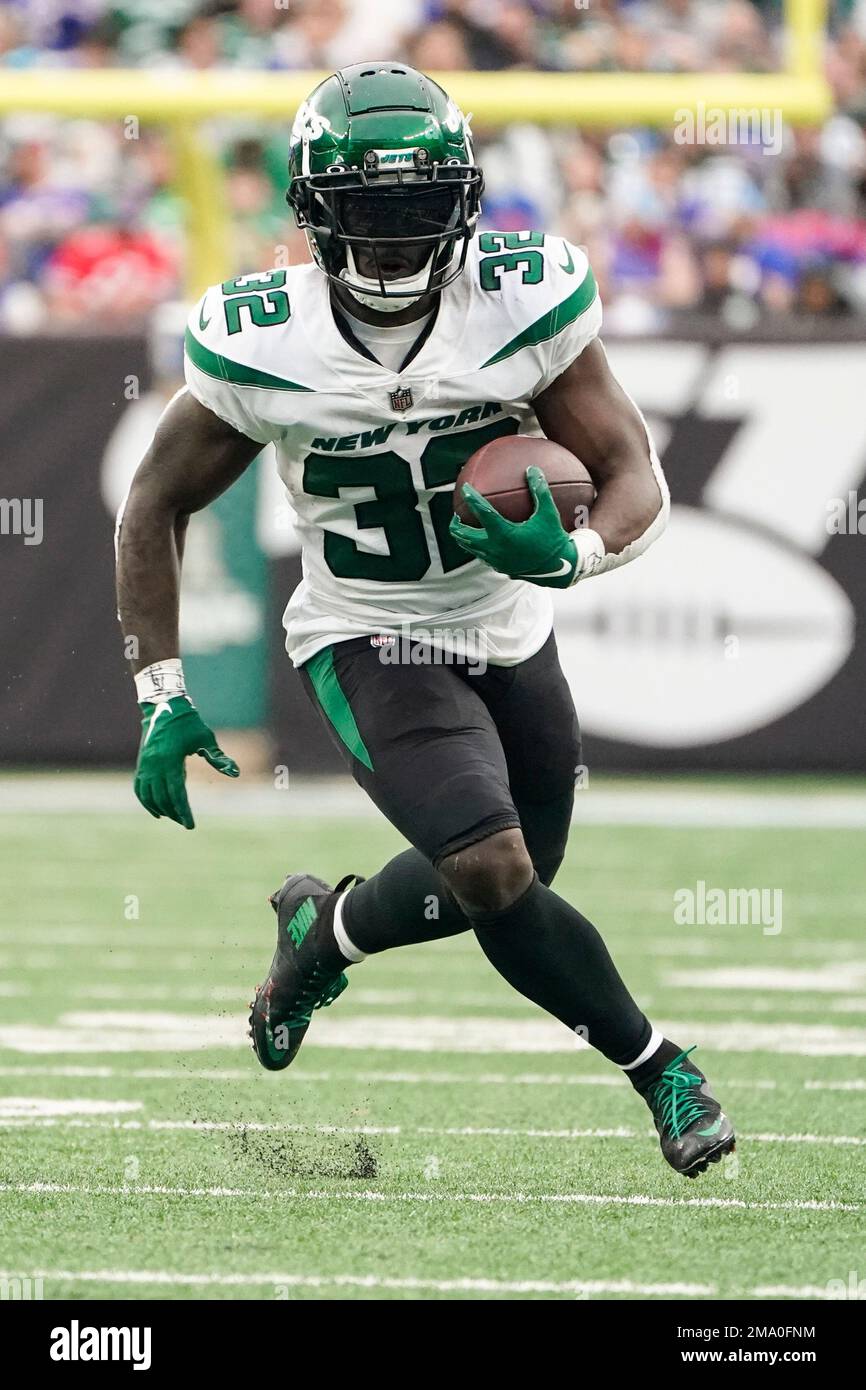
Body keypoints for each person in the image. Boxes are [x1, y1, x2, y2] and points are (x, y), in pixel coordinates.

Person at [116, 62, 734, 1178]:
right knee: (496, 872)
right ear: (312, 213)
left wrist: (575, 554)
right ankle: (660, 1069)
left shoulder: (519, 299)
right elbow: (154, 501)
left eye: (415, 211)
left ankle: (324, 936)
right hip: (366, 632)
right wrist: (159, 688)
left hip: (505, 625)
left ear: (460, 206)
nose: (396, 240)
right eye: (368, 212)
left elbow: (629, 467)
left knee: (508, 876)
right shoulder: (263, 340)